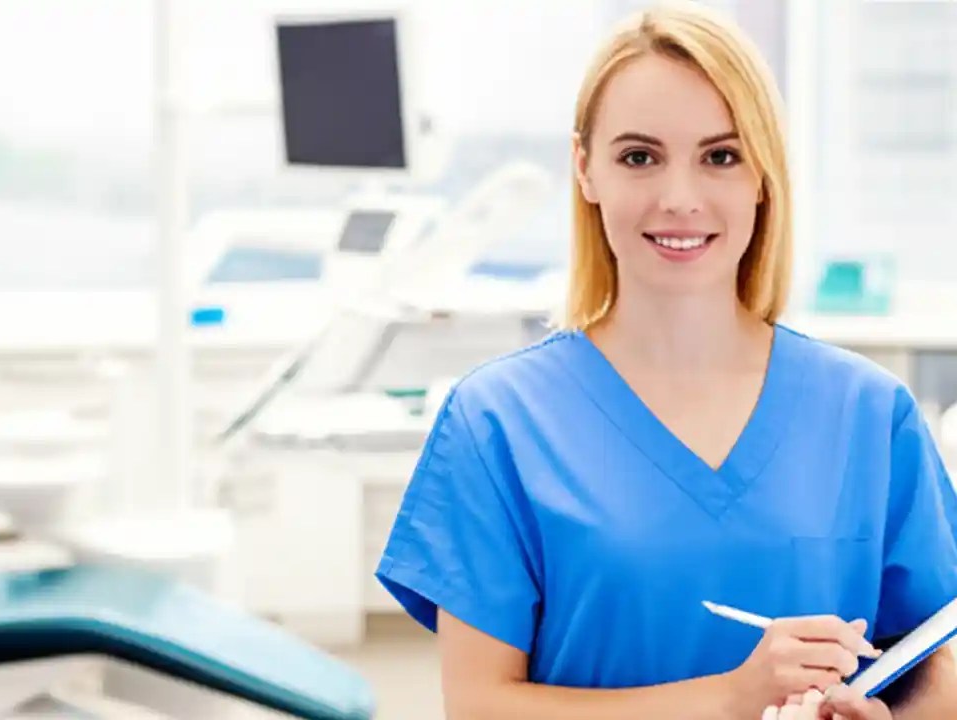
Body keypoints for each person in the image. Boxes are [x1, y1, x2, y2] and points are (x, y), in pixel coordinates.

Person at [373, 3, 957, 719]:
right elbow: (481, 706)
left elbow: (929, 671)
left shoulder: (868, 413)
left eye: (721, 156)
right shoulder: (497, 422)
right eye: (639, 157)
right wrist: (733, 698)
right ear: (586, 170)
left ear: (763, 175)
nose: (679, 199)